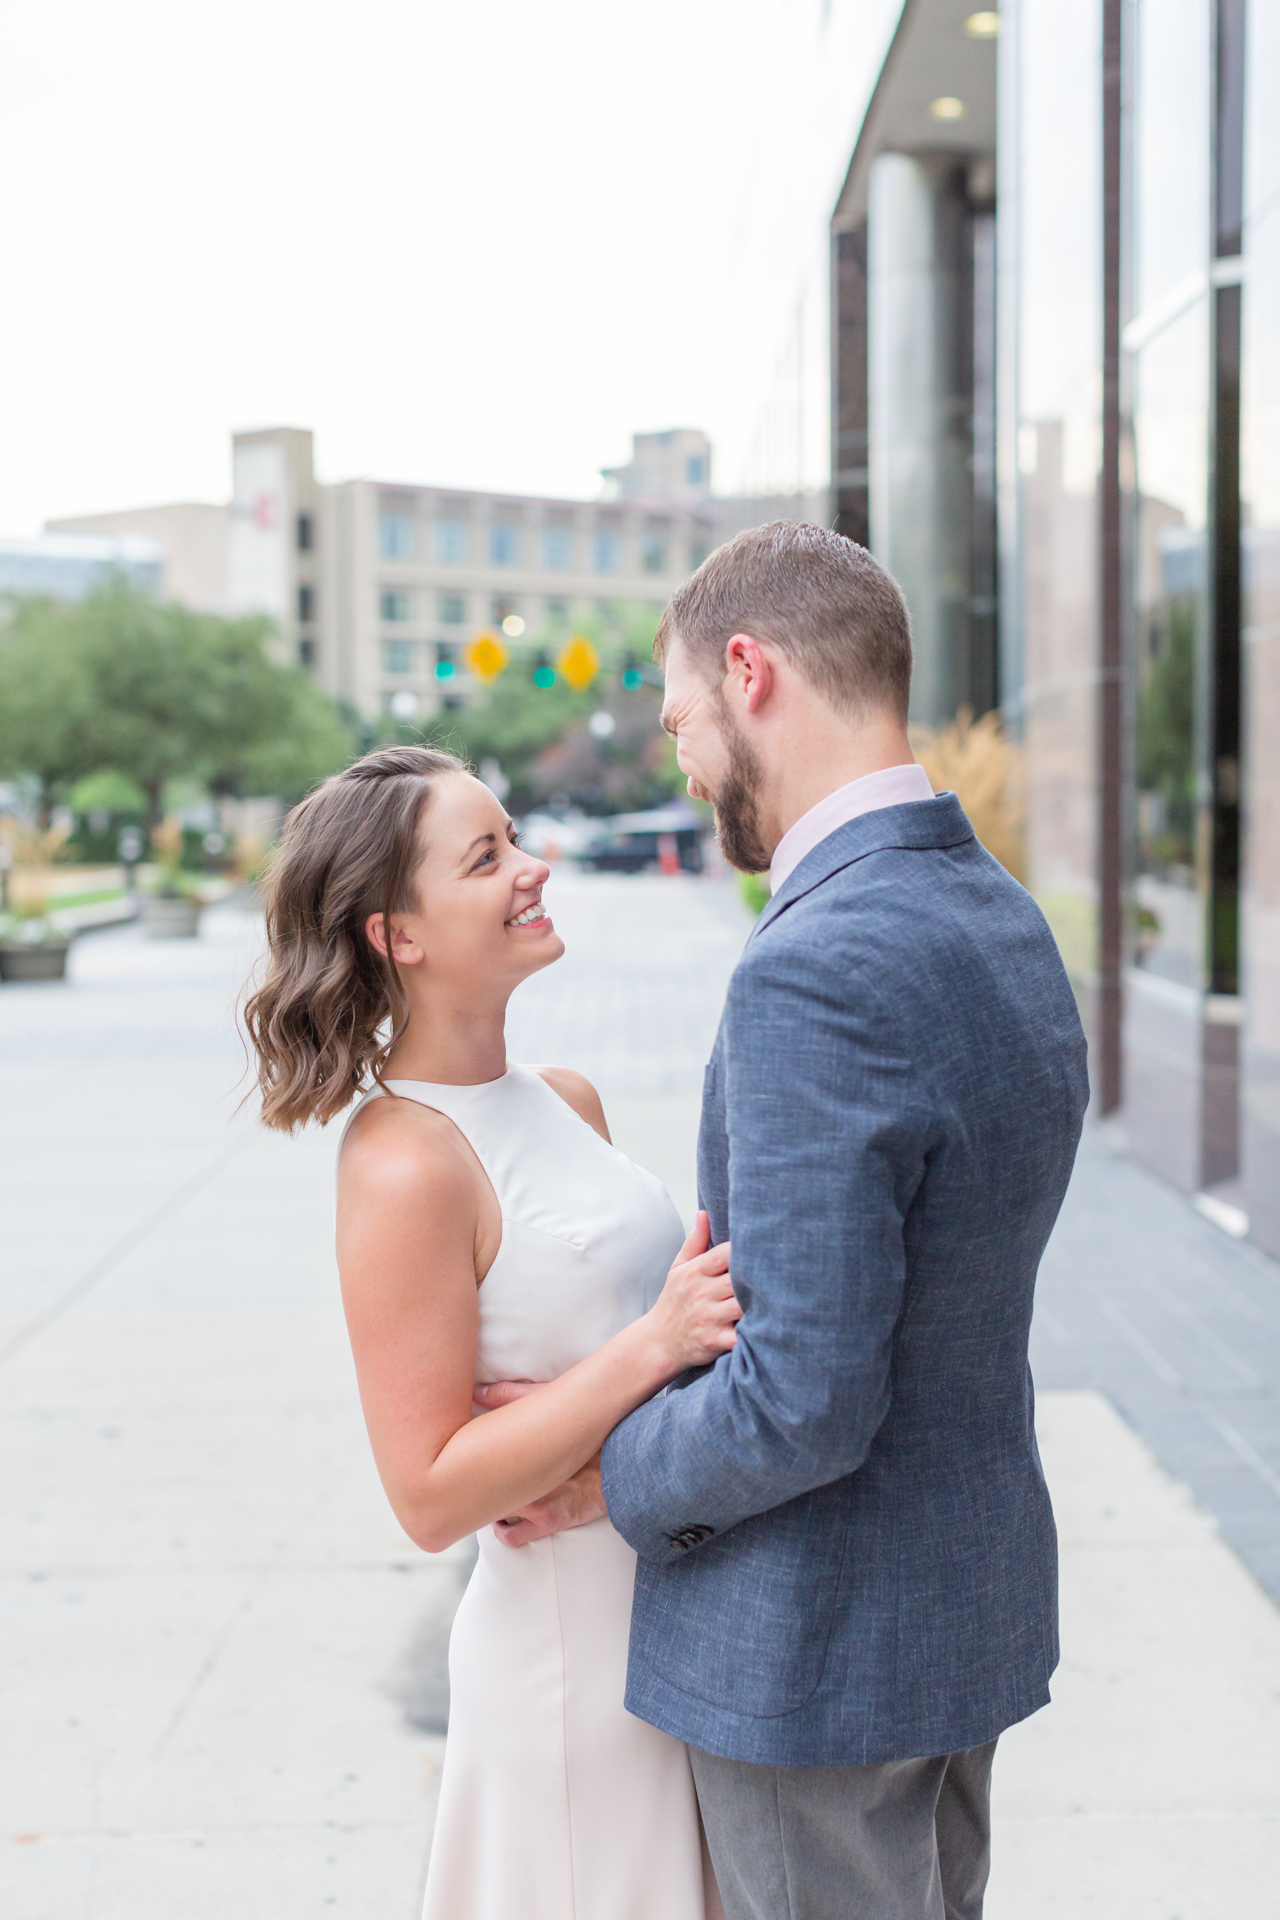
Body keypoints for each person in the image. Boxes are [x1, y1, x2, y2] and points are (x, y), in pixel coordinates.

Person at [487, 522, 1090, 1920]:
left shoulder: (814, 968)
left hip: (817, 1648)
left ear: (750, 673)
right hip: (955, 1614)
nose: (684, 765)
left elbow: (805, 1395)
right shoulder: (1000, 916)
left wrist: (607, 1476)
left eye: (681, 718)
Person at [242, 743, 732, 1920]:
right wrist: (649, 1346)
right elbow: (429, 1494)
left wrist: (612, 1451)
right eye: (486, 857)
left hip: (679, 1631)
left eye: (515, 839)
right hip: (566, 1671)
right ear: (395, 934)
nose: (533, 868)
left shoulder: (565, 1100)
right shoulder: (404, 1161)